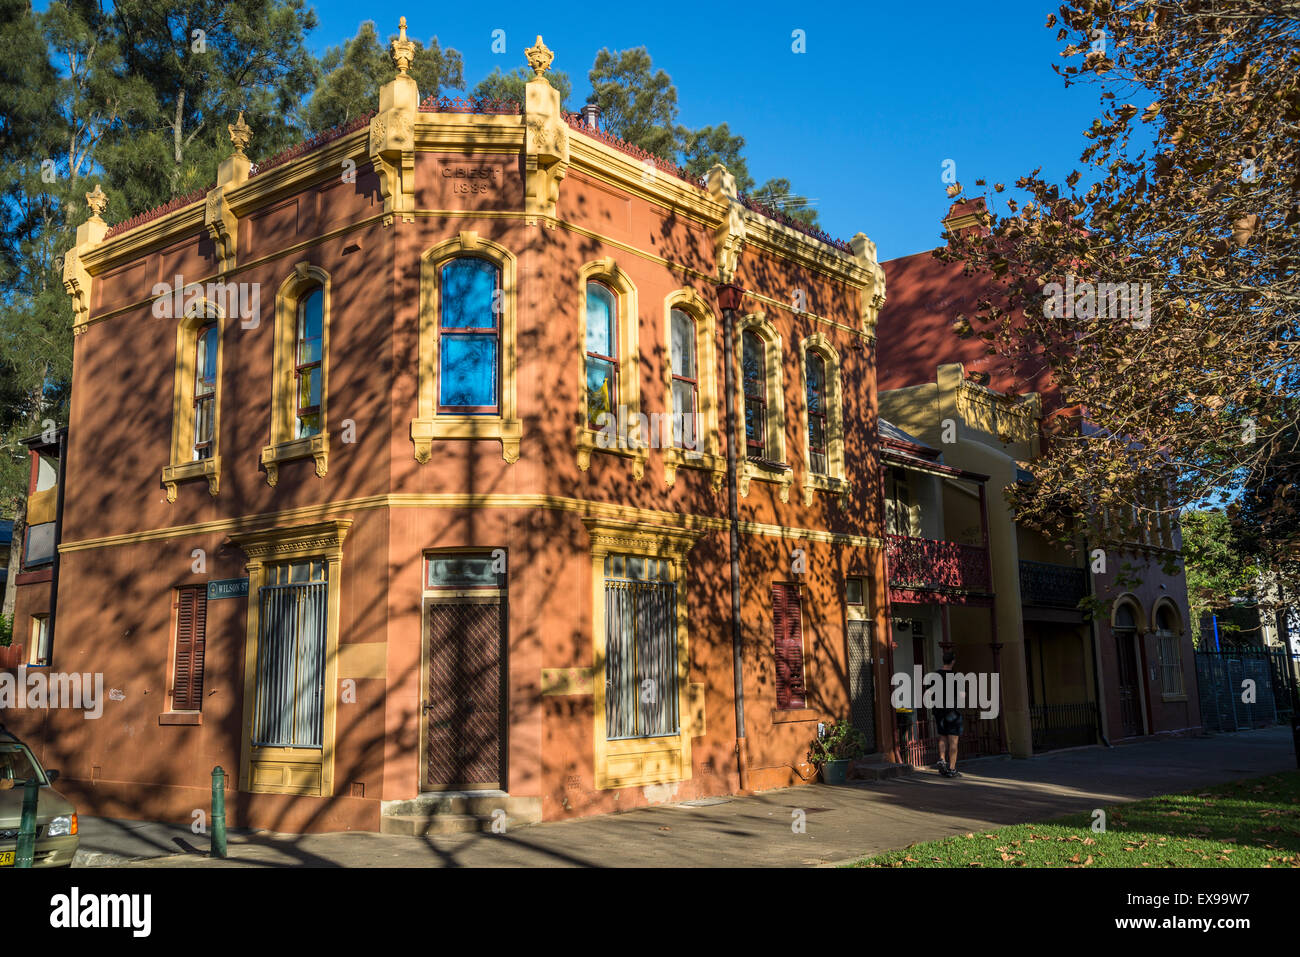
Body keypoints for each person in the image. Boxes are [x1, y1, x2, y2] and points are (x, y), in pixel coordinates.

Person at [933, 650, 963, 778]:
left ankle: (941, 759)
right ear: (953, 661)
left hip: (939, 710)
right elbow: (962, 695)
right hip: (951, 711)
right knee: (953, 740)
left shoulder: (935, 675)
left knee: (942, 736)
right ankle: (952, 768)